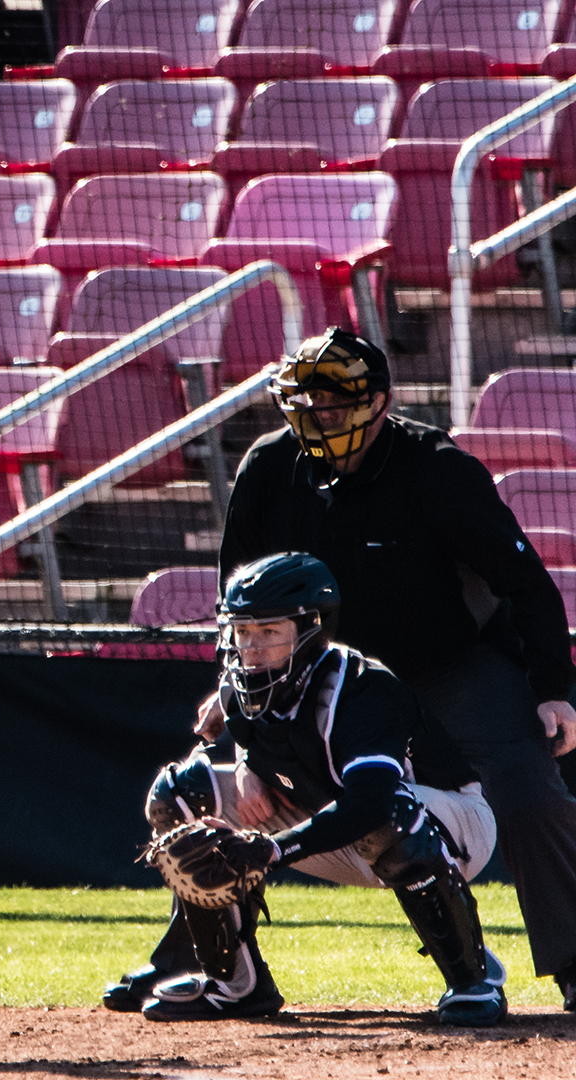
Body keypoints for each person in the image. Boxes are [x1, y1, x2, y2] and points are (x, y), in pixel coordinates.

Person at [199, 327, 576, 1008]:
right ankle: (217, 971)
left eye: (335, 407)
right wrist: (237, 707)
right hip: (319, 680)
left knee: (530, 789)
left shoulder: (438, 469)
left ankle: (574, 961)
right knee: (191, 793)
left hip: (450, 668)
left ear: (380, 402)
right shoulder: (266, 468)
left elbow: (525, 582)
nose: (319, 420)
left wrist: (554, 691)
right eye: (305, 407)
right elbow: (238, 602)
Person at [110, 553, 506, 1024]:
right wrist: (245, 768)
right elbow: (245, 725)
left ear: (312, 630)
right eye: (242, 633)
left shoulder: (362, 690)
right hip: (337, 823)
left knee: (389, 812)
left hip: (452, 827)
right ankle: (234, 983)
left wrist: (270, 851)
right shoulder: (241, 686)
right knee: (181, 791)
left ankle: (473, 978)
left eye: (269, 633)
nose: (251, 649)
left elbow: (370, 802)